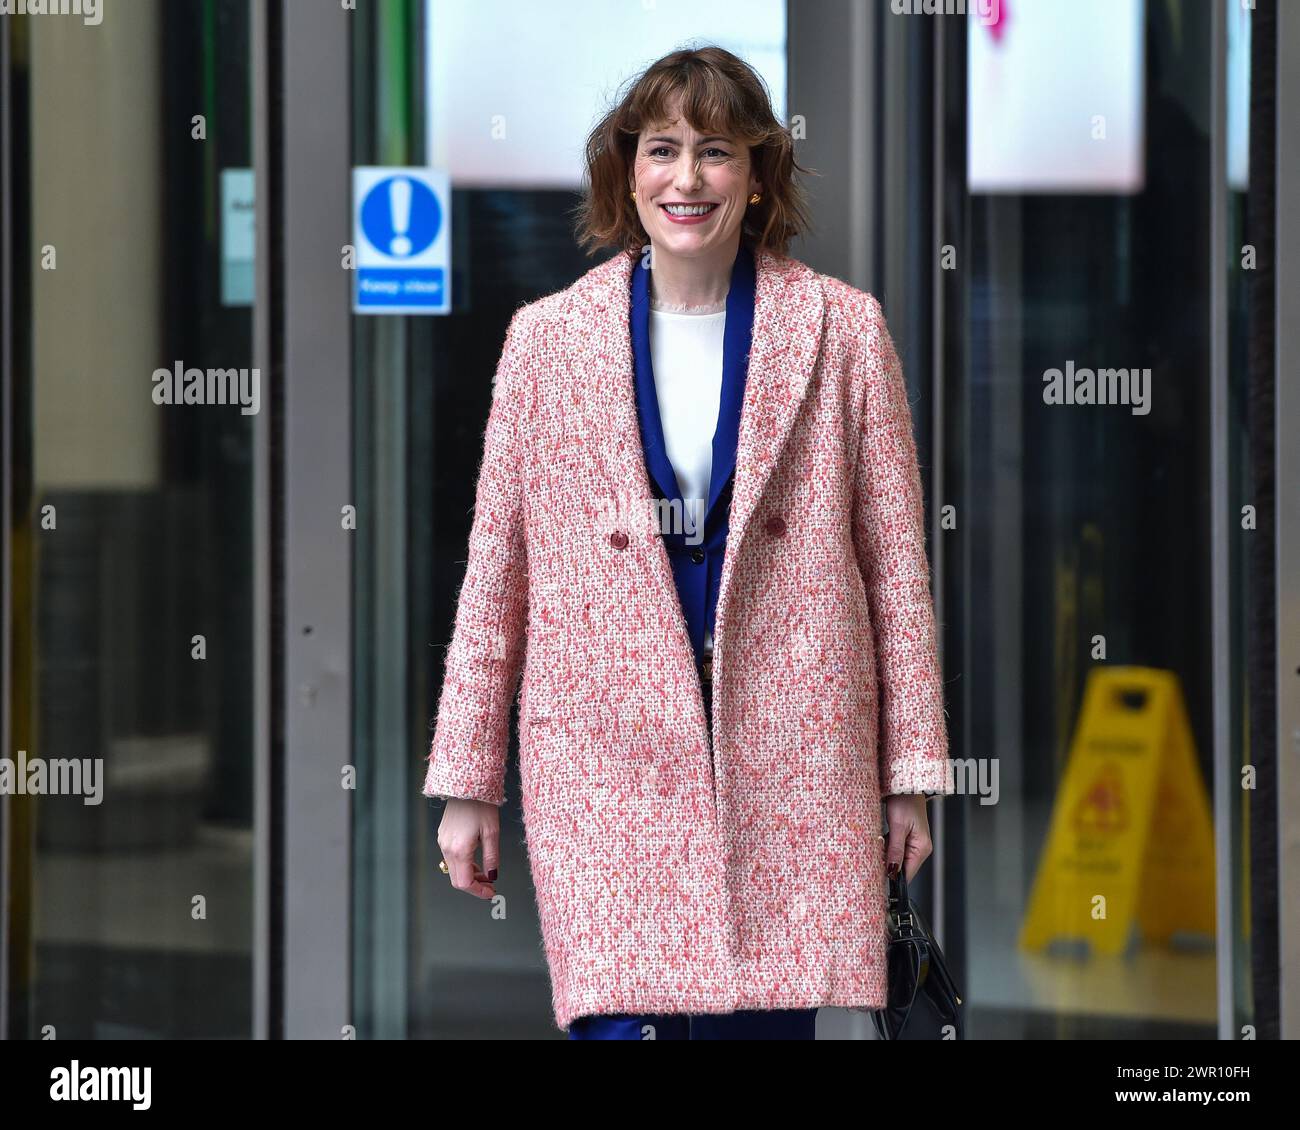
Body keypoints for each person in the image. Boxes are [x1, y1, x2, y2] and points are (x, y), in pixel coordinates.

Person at [423, 45, 952, 1040]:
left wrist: (909, 773)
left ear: (756, 176)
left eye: (716, 151)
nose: (687, 177)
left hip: (793, 751)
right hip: (606, 758)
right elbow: (497, 571)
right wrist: (465, 781)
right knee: (622, 1020)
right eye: (661, 149)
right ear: (627, 170)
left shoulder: (843, 330)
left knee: (761, 1023)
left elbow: (894, 569)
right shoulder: (545, 342)